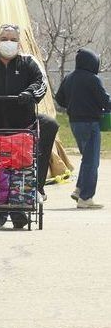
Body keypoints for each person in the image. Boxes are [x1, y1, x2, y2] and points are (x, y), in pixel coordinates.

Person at [0, 23, 57, 228]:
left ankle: (18, 208)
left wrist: (29, 93)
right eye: (4, 39)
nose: (9, 42)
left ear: (19, 43)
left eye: (13, 39)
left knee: (20, 169)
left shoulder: (28, 63)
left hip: (21, 128)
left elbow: (40, 83)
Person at [55, 48, 110, 209]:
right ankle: (86, 197)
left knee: (87, 158)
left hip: (74, 123)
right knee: (92, 161)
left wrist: (74, 105)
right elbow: (105, 101)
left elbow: (59, 98)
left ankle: (79, 190)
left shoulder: (69, 77)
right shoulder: (93, 79)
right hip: (90, 123)